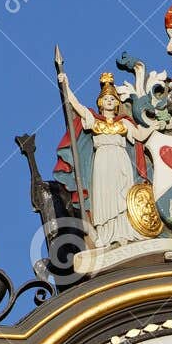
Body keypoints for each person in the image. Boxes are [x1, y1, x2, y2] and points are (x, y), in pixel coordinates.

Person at [57, 70, 150, 248]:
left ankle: (126, 231)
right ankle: (106, 235)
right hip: (102, 160)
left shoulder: (123, 122)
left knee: (123, 195)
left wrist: (155, 126)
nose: (110, 101)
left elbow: (140, 135)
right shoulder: (94, 120)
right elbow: (76, 106)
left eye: (113, 99)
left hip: (121, 160)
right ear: (101, 102)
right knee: (104, 195)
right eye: (107, 99)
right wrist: (65, 85)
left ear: (116, 103)